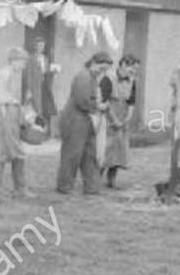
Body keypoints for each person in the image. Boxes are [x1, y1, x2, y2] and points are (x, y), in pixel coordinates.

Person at [56, 52, 110, 195]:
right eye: (101, 68)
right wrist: (98, 106)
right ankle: (65, 186)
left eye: (105, 70)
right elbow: (82, 101)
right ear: (93, 62)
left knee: (89, 153)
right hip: (74, 119)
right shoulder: (83, 77)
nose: (102, 72)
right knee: (72, 154)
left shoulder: (92, 77)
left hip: (86, 119)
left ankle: (92, 186)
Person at [0, 46, 31, 197]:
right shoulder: (4, 74)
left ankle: (15, 187)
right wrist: (6, 122)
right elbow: (0, 100)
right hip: (6, 116)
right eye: (22, 62)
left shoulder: (11, 74)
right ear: (14, 60)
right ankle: (4, 188)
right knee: (8, 149)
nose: (24, 66)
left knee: (9, 149)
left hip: (11, 115)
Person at [101, 55, 140, 188]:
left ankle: (111, 178)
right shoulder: (108, 78)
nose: (133, 72)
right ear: (123, 65)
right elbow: (103, 100)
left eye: (135, 69)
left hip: (122, 117)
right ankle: (96, 176)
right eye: (131, 68)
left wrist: (128, 118)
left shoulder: (132, 80)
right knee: (105, 148)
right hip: (108, 116)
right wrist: (114, 119)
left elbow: (131, 101)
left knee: (119, 149)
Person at [24, 35, 59, 137]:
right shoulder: (31, 59)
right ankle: (36, 134)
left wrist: (53, 71)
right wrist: (29, 90)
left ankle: (46, 132)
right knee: (36, 109)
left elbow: (46, 72)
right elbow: (28, 75)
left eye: (42, 45)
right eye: (39, 45)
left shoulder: (45, 58)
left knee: (46, 108)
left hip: (45, 86)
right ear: (35, 46)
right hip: (35, 87)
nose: (41, 47)